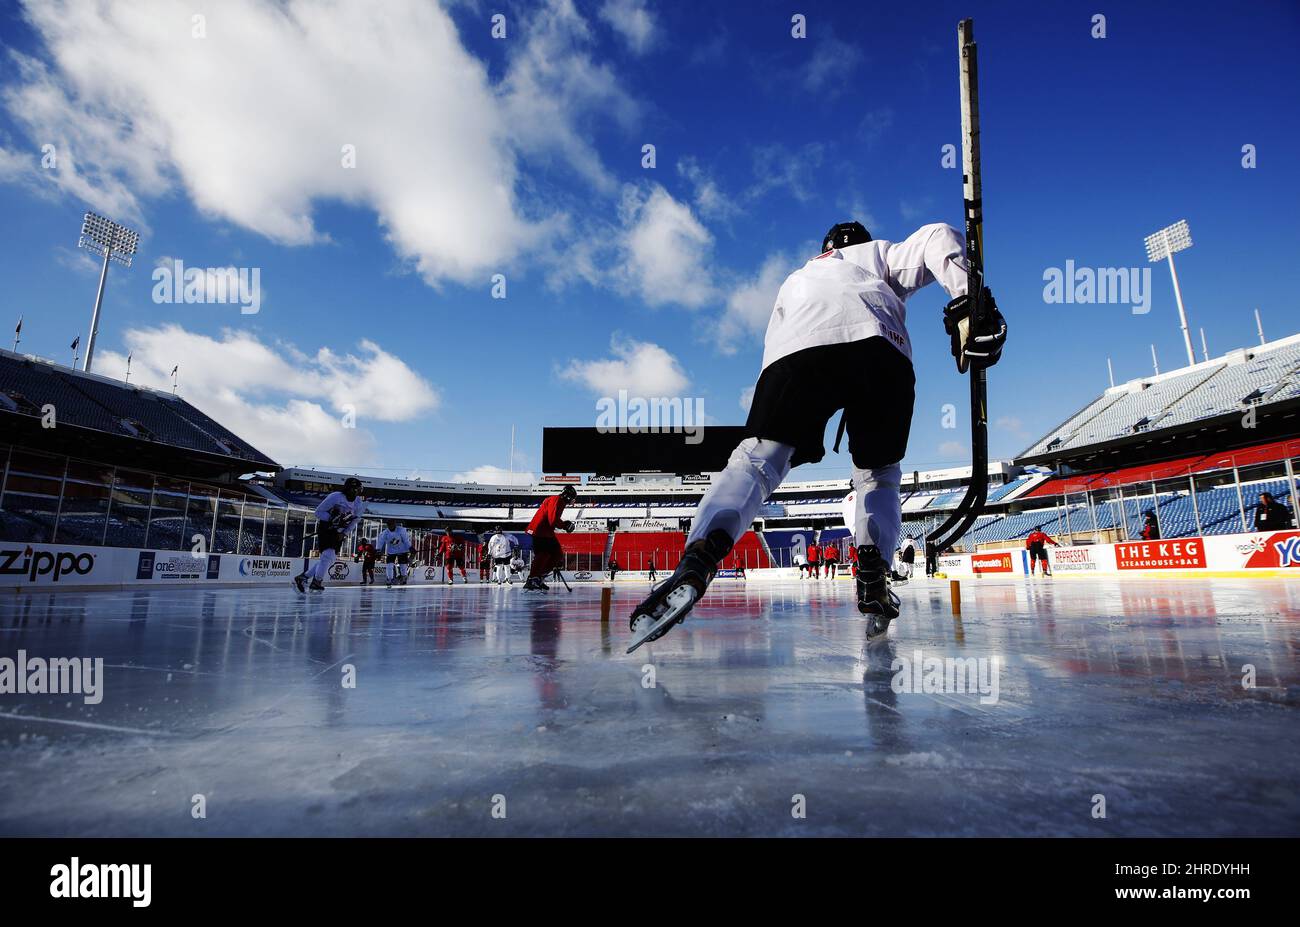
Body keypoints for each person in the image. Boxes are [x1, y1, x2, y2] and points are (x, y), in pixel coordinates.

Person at [626, 219, 1005, 648]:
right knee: (878, 472)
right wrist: (967, 303)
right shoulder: (877, 254)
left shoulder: (798, 275)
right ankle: (873, 571)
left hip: (799, 351)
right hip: (881, 348)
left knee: (758, 458)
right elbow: (939, 235)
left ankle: (699, 558)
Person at [294, 477, 366, 593]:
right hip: (327, 528)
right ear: (350, 489)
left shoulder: (358, 503)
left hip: (339, 533)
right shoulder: (336, 497)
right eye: (356, 489)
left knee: (330, 559)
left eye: (359, 489)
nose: (358, 492)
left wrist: (344, 533)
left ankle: (303, 577)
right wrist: (332, 519)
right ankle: (316, 582)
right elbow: (318, 512)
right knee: (327, 555)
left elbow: (354, 521)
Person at [525, 484, 577, 591]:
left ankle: (536, 578)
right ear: (568, 496)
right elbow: (552, 520)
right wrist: (565, 525)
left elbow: (552, 519)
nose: (572, 501)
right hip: (541, 530)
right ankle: (534, 578)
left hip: (543, 530)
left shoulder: (557, 500)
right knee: (548, 554)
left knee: (550, 554)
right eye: (572, 498)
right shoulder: (557, 500)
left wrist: (564, 524)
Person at [375, 519, 413, 587]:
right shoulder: (385, 532)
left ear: (395, 524)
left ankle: (404, 577)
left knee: (403, 566)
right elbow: (380, 541)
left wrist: (410, 547)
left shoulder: (401, 530)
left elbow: (406, 540)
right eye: (389, 525)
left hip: (402, 550)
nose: (390, 526)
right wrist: (378, 550)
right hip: (391, 551)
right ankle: (389, 579)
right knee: (389, 566)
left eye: (391, 524)